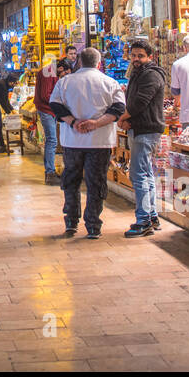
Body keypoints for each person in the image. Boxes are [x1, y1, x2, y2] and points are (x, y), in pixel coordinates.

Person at [48, 46, 126, 238]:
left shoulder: (65, 82)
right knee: (96, 182)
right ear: (98, 63)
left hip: (72, 141)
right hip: (99, 142)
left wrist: (73, 122)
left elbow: (55, 105)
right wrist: (96, 123)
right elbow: (118, 108)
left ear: (79, 62)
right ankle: (93, 225)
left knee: (71, 181)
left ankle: (71, 222)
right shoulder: (110, 82)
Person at [117, 38, 167, 238]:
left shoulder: (151, 75)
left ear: (150, 57)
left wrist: (123, 118)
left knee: (138, 175)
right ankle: (151, 216)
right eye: (134, 55)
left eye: (140, 56)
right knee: (146, 174)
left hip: (145, 131)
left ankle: (143, 220)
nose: (136, 59)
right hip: (140, 128)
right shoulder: (138, 73)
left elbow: (140, 103)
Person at [34, 57, 71, 185]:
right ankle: (49, 173)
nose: (64, 76)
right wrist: (61, 101)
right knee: (52, 140)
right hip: (46, 110)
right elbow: (45, 95)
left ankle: (51, 171)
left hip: (49, 110)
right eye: (64, 73)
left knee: (52, 140)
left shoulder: (51, 72)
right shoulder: (48, 73)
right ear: (60, 68)